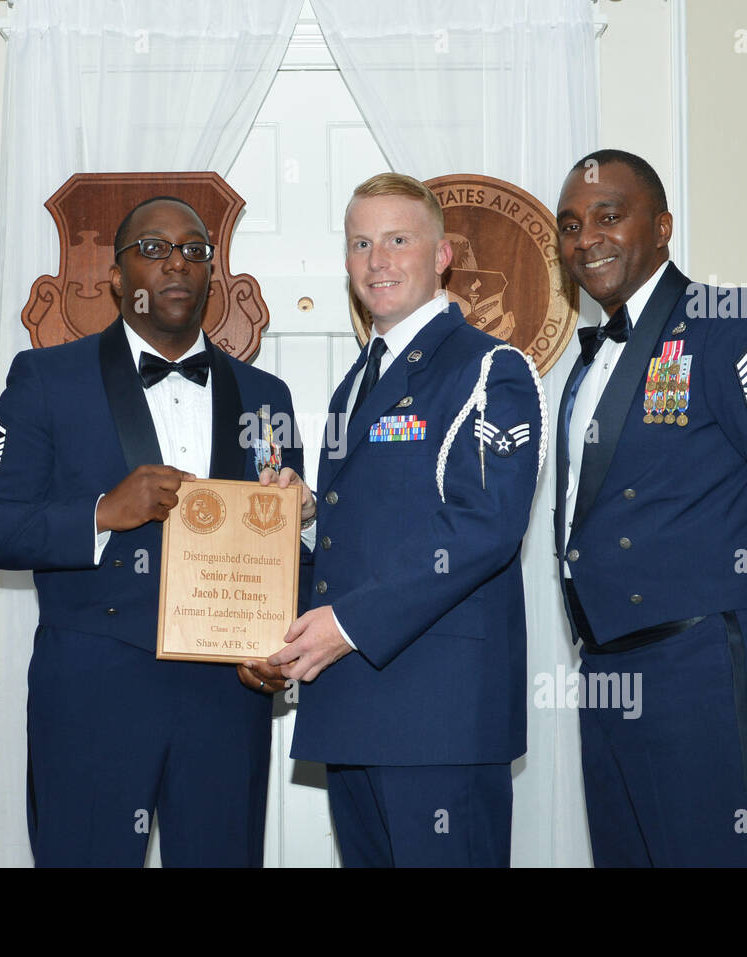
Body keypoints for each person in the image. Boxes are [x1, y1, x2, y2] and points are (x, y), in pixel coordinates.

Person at [0, 196, 307, 866]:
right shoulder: (45, 379)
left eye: (194, 248)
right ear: (117, 276)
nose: (176, 262)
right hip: (93, 693)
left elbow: (287, 548)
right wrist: (100, 512)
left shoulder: (269, 396)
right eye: (152, 248)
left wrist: (279, 645)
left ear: (213, 270)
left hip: (227, 698)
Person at [552, 148, 747, 866]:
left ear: (661, 226)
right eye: (570, 225)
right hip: (606, 669)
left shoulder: (729, 323)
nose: (586, 238)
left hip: (697, 665)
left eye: (609, 216)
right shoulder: (589, 358)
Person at [257, 173, 544, 867]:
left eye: (397, 239)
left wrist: (345, 625)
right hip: (355, 706)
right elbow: (368, 527)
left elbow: (485, 527)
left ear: (441, 254)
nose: (376, 260)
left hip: (438, 714)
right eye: (360, 243)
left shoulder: (489, 368)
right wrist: (303, 517)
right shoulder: (354, 383)